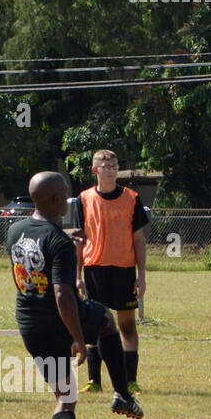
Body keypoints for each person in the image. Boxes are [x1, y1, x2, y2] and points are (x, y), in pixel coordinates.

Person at [10, 172, 142, 419]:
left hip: (30, 324)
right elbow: (63, 295)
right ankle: (122, 394)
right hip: (58, 319)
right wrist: (79, 340)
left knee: (65, 395)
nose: (70, 200)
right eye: (66, 194)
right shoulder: (60, 244)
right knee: (107, 319)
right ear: (56, 200)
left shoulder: (15, 230)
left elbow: (37, 247)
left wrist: (62, 234)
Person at [72, 150, 149, 395]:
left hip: (124, 269)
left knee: (126, 325)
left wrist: (142, 274)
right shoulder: (84, 199)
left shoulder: (131, 198)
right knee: (95, 324)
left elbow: (139, 239)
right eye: (105, 166)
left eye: (114, 165)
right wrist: (77, 276)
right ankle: (94, 380)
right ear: (95, 170)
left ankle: (130, 380)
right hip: (95, 268)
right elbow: (79, 241)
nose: (111, 169)